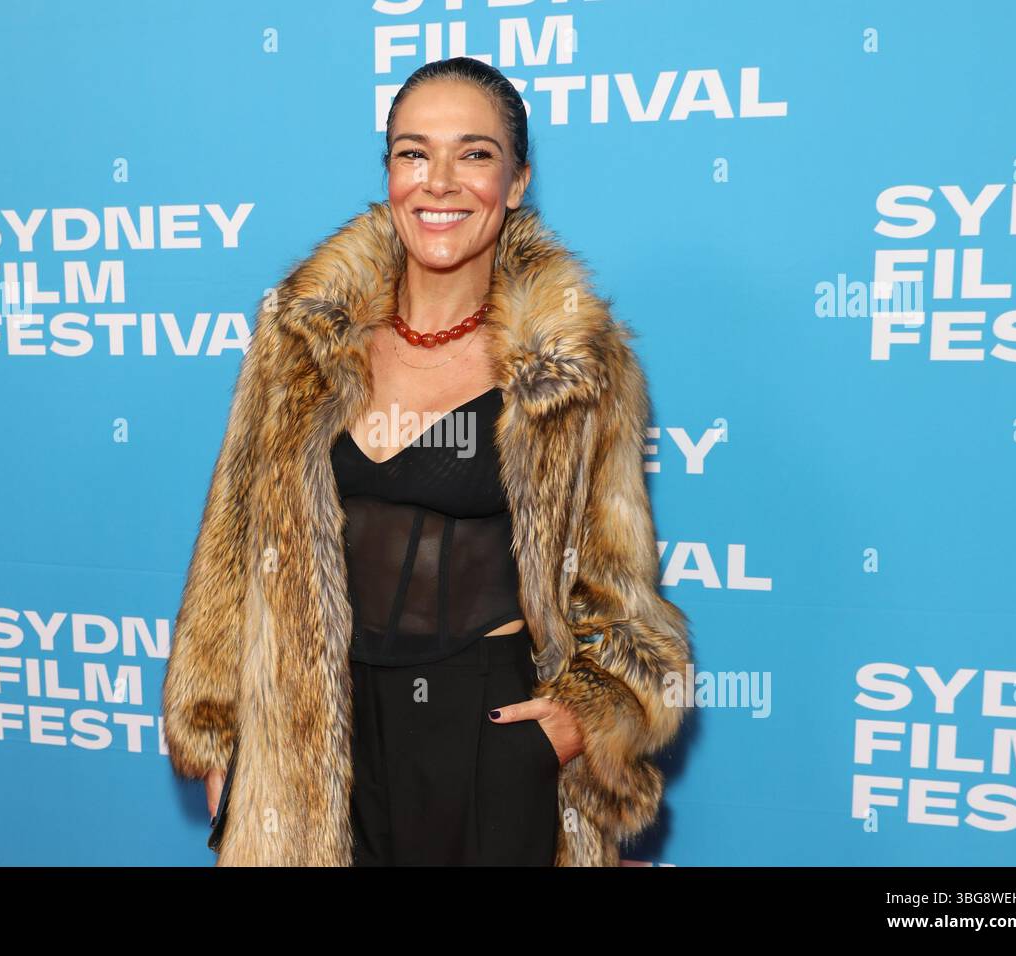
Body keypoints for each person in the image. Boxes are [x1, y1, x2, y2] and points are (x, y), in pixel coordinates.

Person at [162, 57, 693, 867]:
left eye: (474, 154)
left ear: (516, 182)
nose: (438, 182)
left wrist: (588, 715)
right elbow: (233, 538)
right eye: (414, 153)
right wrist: (220, 717)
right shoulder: (298, 340)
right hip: (310, 732)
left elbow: (615, 583)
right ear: (388, 174)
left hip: (490, 736)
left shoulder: (576, 364)